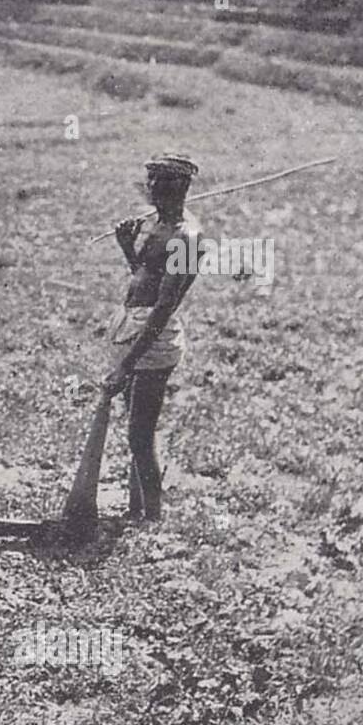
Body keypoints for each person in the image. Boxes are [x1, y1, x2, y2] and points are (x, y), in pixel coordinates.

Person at [102, 152, 202, 522]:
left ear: (183, 188)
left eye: (166, 183)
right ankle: (137, 507)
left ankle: (152, 518)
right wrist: (127, 246)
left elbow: (164, 307)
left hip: (153, 340)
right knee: (136, 430)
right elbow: (143, 277)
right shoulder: (158, 226)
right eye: (153, 182)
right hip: (132, 327)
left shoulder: (187, 239)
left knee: (139, 435)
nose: (156, 190)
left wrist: (126, 365)